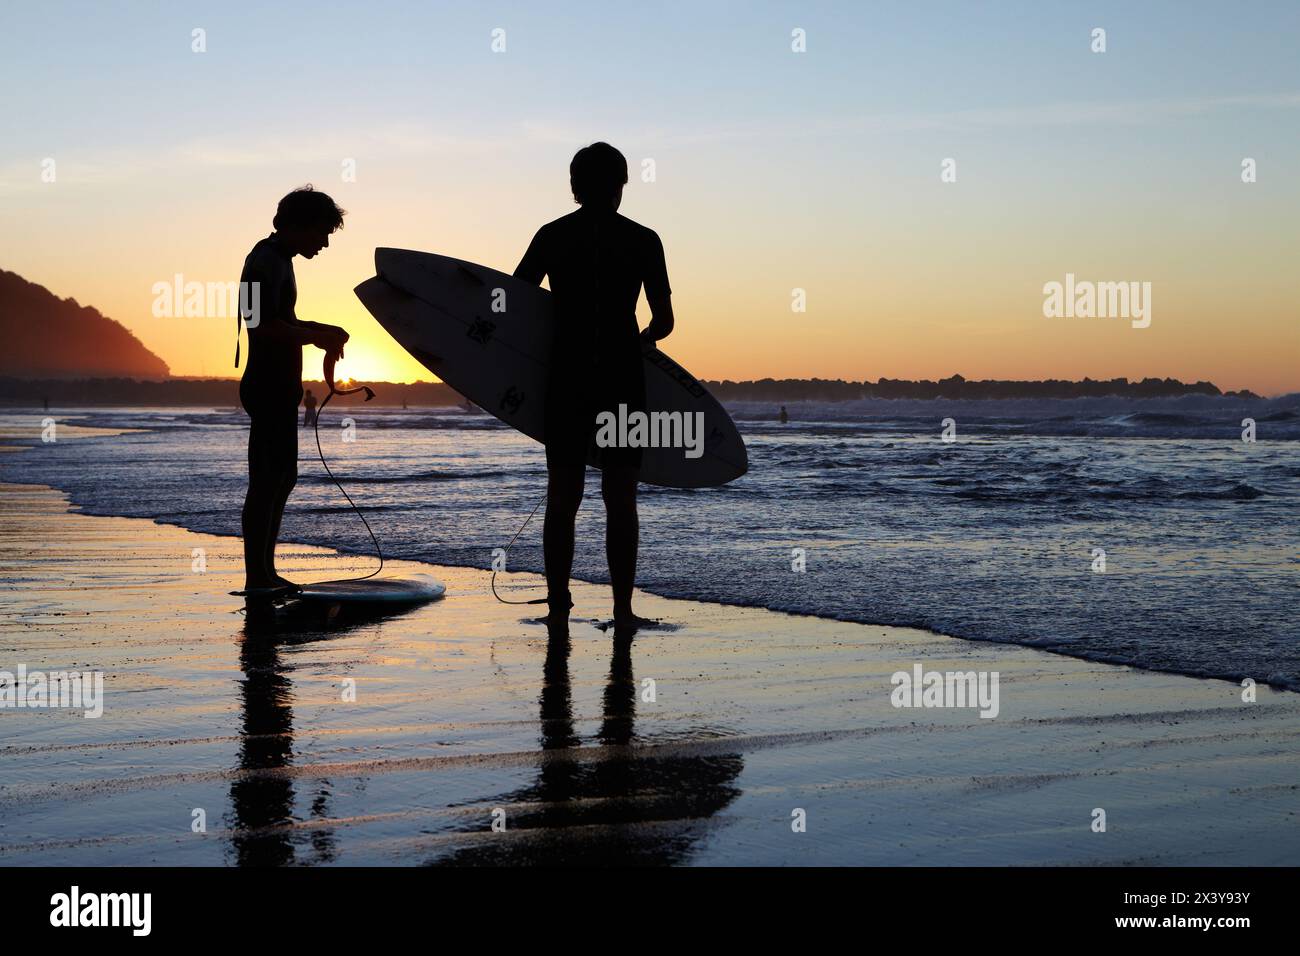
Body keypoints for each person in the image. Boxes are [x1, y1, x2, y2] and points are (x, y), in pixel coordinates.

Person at [514, 143, 674, 628]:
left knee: (563, 493)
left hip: (567, 374)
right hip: (622, 377)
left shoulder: (553, 235)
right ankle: (622, 610)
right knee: (620, 496)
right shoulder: (645, 239)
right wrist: (642, 339)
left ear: (574, 186)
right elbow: (663, 321)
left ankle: (558, 605)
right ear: (621, 185)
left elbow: (518, 300)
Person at [237, 186, 350, 594]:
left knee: (283, 478)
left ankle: (265, 573)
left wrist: (322, 330)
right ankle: (257, 578)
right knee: (267, 480)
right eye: (321, 233)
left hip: (281, 386)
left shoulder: (280, 260)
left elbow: (285, 319)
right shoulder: (262, 262)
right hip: (266, 385)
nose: (323, 243)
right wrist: (316, 338)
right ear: (296, 225)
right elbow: (258, 325)